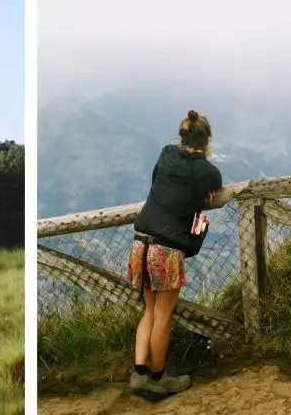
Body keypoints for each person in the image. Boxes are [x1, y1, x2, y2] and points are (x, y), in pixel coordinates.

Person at [127, 109, 223, 399]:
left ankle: (139, 373)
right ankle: (159, 378)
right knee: (163, 315)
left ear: (180, 136)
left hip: (140, 243)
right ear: (206, 140)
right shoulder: (206, 170)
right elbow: (213, 188)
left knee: (148, 312)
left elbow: (161, 180)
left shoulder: (165, 155)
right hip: (166, 250)